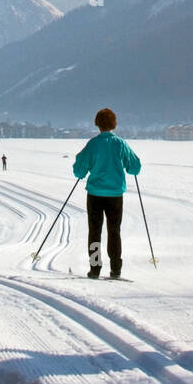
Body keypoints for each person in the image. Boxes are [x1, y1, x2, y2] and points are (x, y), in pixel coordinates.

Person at [73, 108, 141, 279]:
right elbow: (134, 166)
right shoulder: (120, 143)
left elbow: (79, 170)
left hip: (95, 194)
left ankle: (95, 268)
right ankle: (116, 269)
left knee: (95, 231)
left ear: (97, 124)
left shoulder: (93, 144)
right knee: (114, 231)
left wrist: (81, 172)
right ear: (113, 124)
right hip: (115, 195)